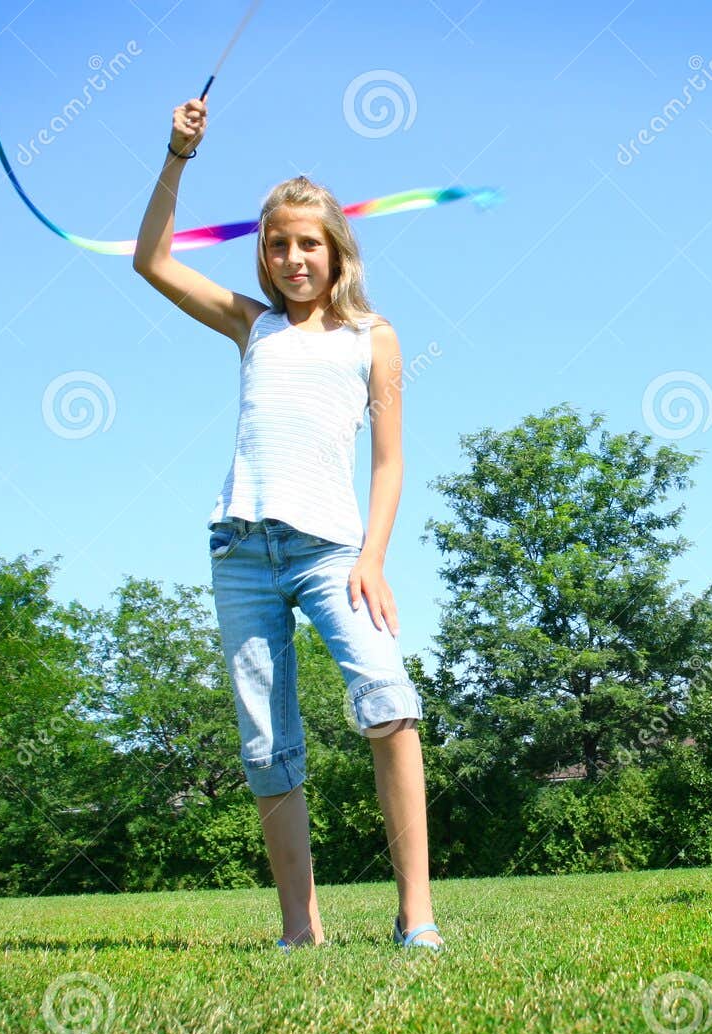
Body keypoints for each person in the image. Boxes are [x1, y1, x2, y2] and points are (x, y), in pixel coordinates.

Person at [132, 96, 441, 949]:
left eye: (309, 242)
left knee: (388, 700)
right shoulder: (251, 324)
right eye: (278, 243)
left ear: (336, 249)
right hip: (240, 549)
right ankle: (300, 929)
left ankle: (416, 913)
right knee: (267, 743)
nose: (293, 257)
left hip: (333, 551)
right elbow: (149, 259)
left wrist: (374, 555)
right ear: (263, 255)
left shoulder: (373, 336)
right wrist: (177, 154)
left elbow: (389, 459)